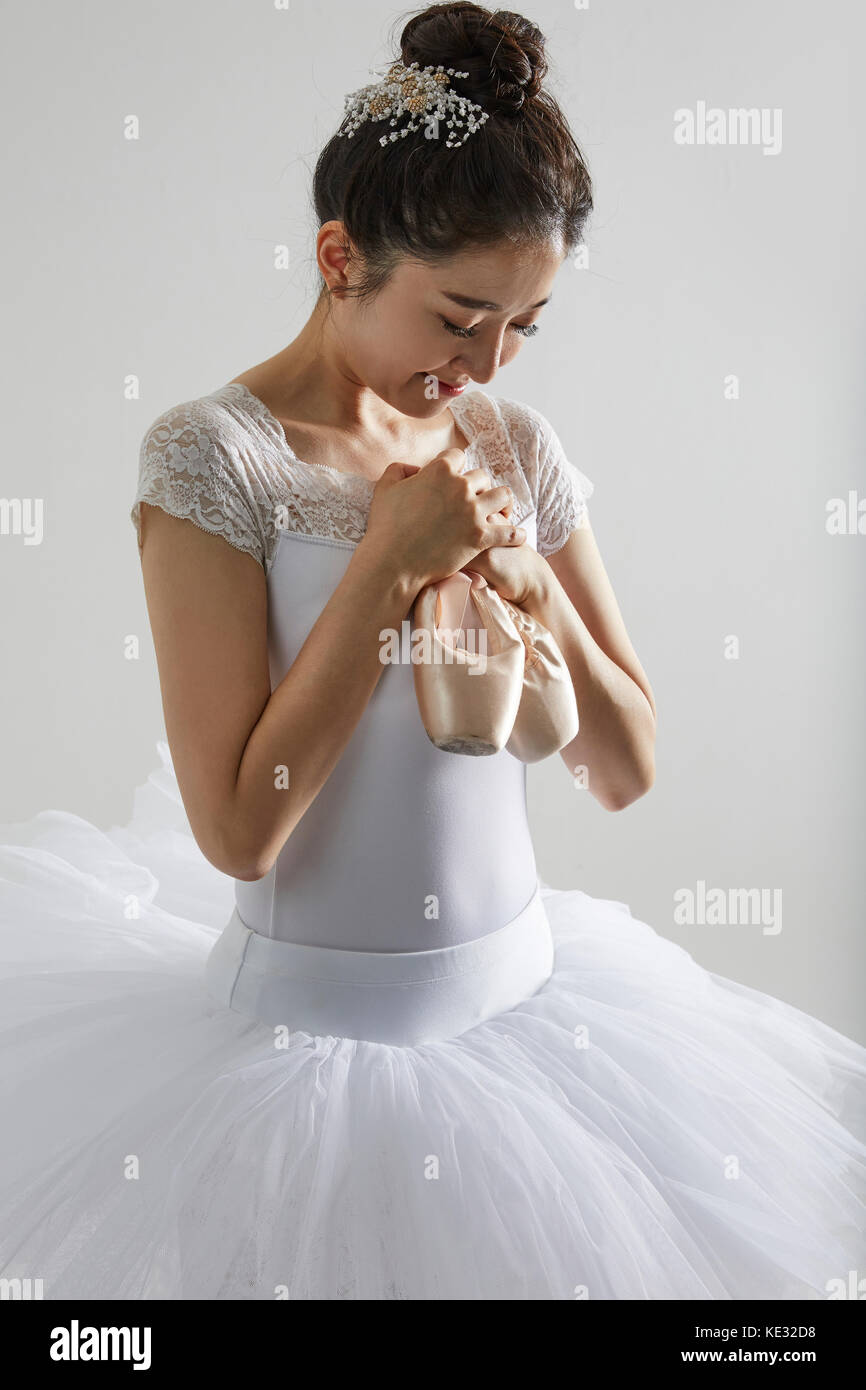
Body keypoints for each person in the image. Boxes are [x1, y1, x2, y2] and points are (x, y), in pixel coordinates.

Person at [0, 3, 863, 1300]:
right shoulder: (212, 457)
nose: (485, 364)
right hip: (296, 1051)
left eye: (523, 327)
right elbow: (241, 828)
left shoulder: (512, 446)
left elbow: (623, 765)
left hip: (536, 1018)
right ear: (339, 256)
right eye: (459, 316)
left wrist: (529, 581)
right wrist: (390, 564)